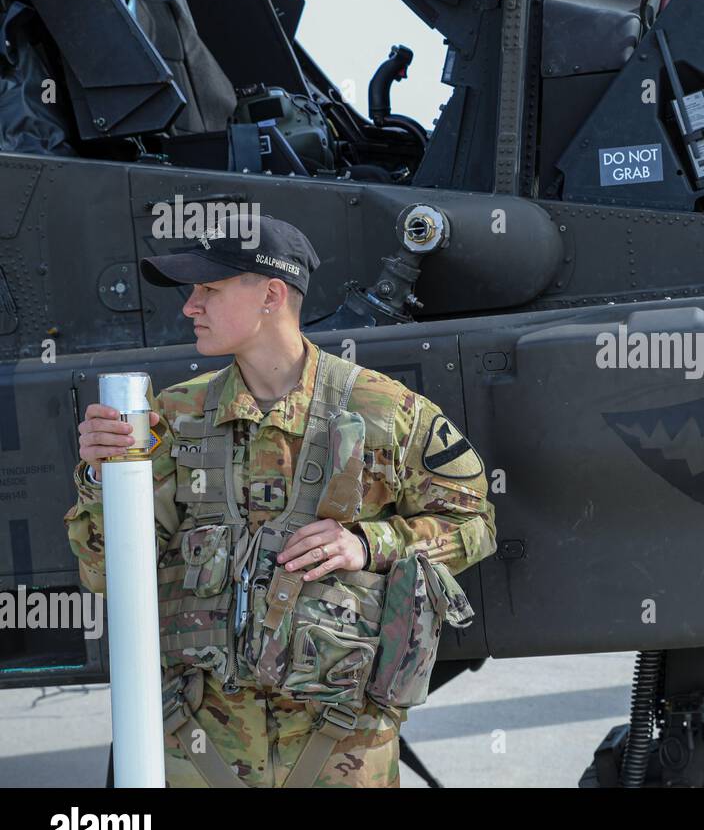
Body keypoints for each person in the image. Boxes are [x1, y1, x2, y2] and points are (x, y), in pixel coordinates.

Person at [64, 212, 497, 787]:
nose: (190, 306)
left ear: (271, 294)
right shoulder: (174, 416)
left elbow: (474, 522)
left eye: (209, 289)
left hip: (341, 741)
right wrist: (102, 481)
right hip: (197, 739)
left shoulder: (387, 412)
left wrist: (369, 543)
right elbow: (106, 572)